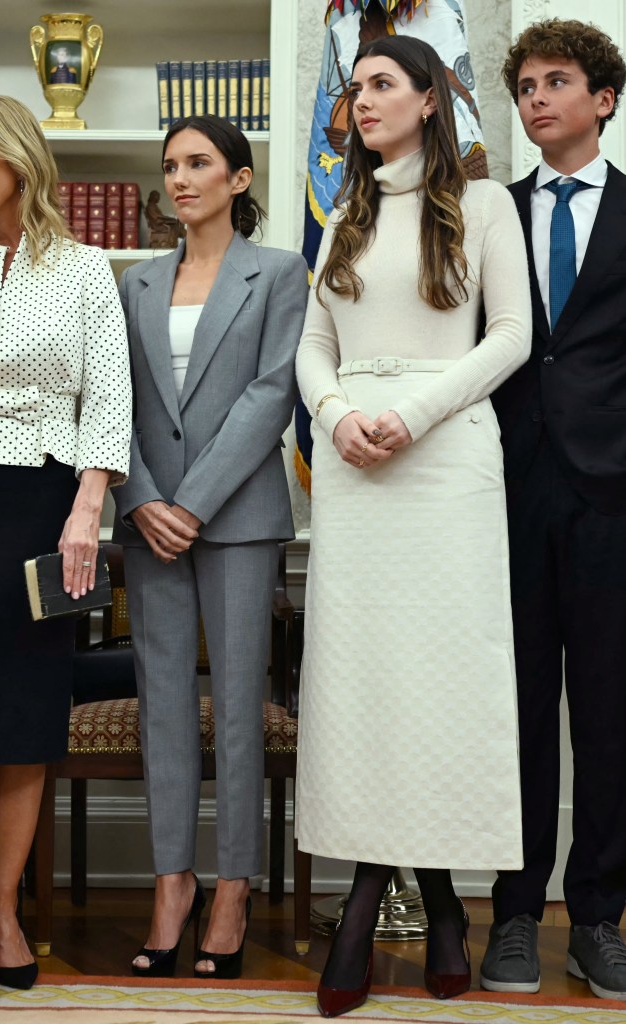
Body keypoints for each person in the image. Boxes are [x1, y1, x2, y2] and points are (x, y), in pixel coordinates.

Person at [295, 35, 532, 1017]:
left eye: (382, 84)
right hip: (355, 467)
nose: (362, 100)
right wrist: (336, 416)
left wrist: (414, 413)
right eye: (355, 86)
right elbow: (313, 345)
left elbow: (510, 335)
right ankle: (434, 906)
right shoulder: (344, 213)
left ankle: (365, 909)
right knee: (365, 688)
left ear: (431, 99)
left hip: (446, 463)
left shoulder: (485, 205)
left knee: (440, 687)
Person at [112, 113, 308, 981]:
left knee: (235, 704)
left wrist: (190, 502)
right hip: (149, 517)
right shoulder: (136, 283)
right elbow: (110, 398)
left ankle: (232, 887)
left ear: (239, 179)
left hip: (236, 517)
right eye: (169, 166)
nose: (180, 180)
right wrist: (143, 498)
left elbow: (271, 393)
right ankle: (172, 884)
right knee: (163, 705)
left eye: (198, 163)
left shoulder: (280, 272)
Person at [480, 19, 626, 1001]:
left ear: (602, 99)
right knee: (517, 709)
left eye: (556, 81)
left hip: (613, 498)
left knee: (610, 712)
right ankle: (515, 913)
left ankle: (599, 917)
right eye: (526, 85)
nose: (536, 98)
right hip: (504, 488)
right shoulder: (490, 211)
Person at [0, 94, 131, 1007]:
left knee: (21, 719)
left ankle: (3, 910)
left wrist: (87, 509)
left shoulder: (82, 268)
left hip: (43, 507)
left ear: (17, 160)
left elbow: (107, 396)